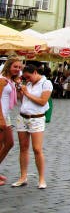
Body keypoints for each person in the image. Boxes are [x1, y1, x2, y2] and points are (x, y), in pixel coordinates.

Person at [14, 64, 52, 189]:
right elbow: (22, 101)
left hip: (36, 118)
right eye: (25, 78)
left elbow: (42, 101)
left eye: (28, 77)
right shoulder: (29, 85)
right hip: (23, 117)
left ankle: (41, 179)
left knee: (37, 149)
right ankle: (23, 177)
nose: (27, 80)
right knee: (23, 148)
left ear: (35, 72)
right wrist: (20, 92)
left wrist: (27, 93)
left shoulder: (46, 83)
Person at [0, 57, 23, 185]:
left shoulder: (10, 81)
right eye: (15, 67)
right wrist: (1, 120)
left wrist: (18, 87)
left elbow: (18, 99)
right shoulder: (2, 80)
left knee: (8, 144)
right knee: (7, 144)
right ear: (8, 66)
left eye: (19, 67)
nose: (17, 69)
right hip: (1, 116)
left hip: (6, 116)